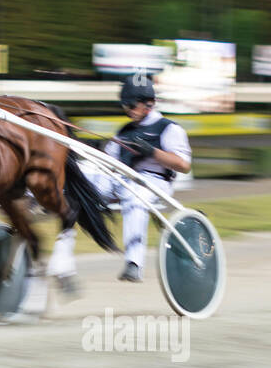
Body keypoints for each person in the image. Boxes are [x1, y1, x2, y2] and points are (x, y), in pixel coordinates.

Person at [48, 75, 191, 285]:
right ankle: (39, 196)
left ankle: (134, 263)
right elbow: (109, 159)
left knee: (134, 197)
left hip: (153, 182)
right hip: (121, 178)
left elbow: (184, 165)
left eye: (131, 105)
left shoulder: (169, 128)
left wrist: (152, 152)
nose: (128, 109)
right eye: (125, 105)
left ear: (148, 104)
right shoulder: (125, 130)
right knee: (78, 177)